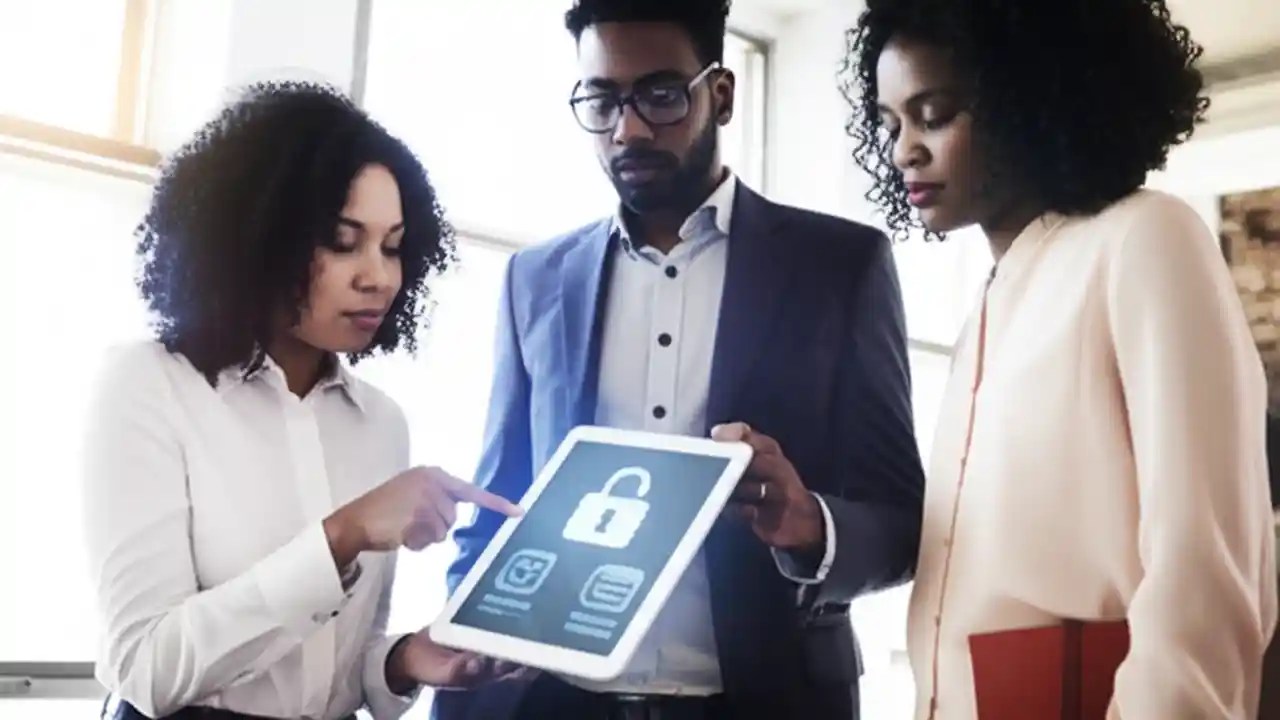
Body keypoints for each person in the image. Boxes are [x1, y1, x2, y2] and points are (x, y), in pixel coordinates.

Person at [435, 1, 926, 718]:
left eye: (661, 96)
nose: (627, 129)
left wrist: (810, 523)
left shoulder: (840, 266)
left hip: (765, 702)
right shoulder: (535, 280)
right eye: (601, 100)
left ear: (720, 94)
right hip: (555, 705)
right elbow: (497, 508)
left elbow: (903, 524)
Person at [842, 0, 1279, 717]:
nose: (903, 151)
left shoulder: (1145, 239)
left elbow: (1202, 584)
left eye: (935, 114)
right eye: (891, 124)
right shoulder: (986, 308)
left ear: (1032, 100)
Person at [83, 82, 523, 720]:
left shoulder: (380, 423)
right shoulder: (150, 386)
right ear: (258, 236)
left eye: (393, 246)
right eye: (343, 242)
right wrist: (343, 535)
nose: (379, 276)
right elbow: (146, 668)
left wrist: (401, 660)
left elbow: (334, 662)